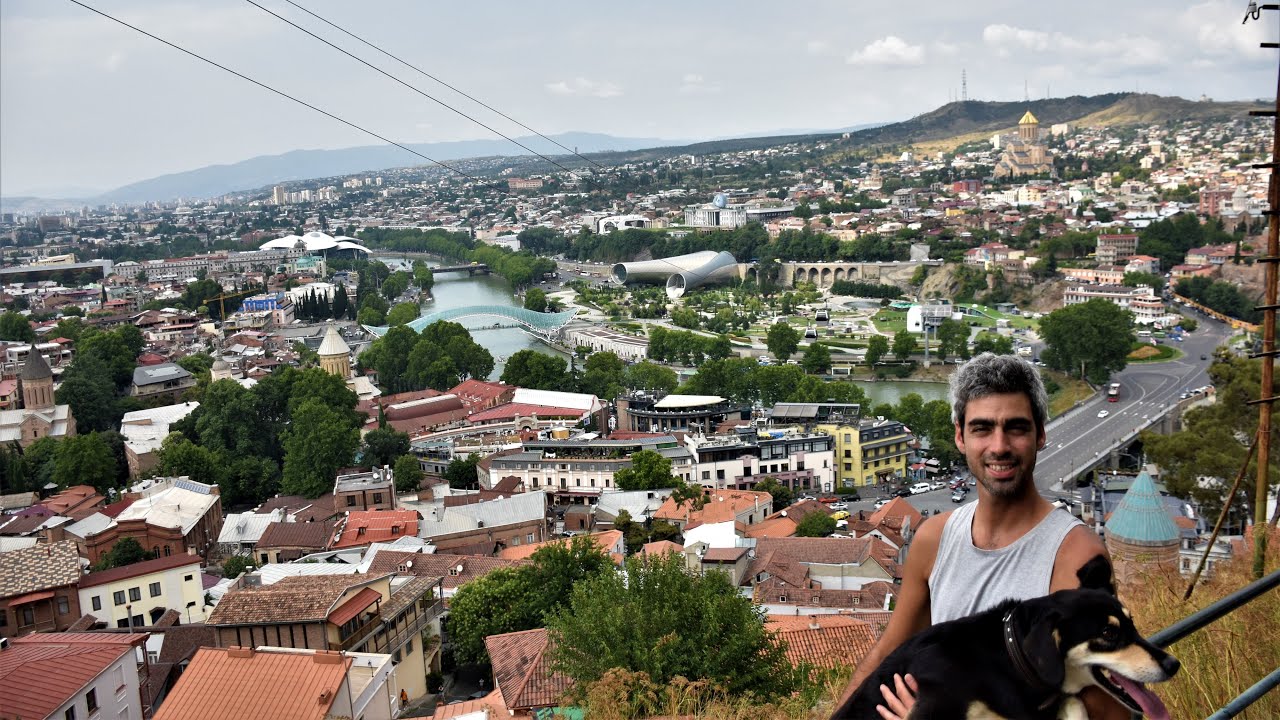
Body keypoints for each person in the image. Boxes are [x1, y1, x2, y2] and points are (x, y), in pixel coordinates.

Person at [830, 353, 1126, 719]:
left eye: (1016, 428)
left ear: (1041, 434)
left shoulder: (1075, 554)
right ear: (960, 436)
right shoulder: (934, 538)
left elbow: (1108, 712)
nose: (999, 446)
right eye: (982, 428)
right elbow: (888, 652)